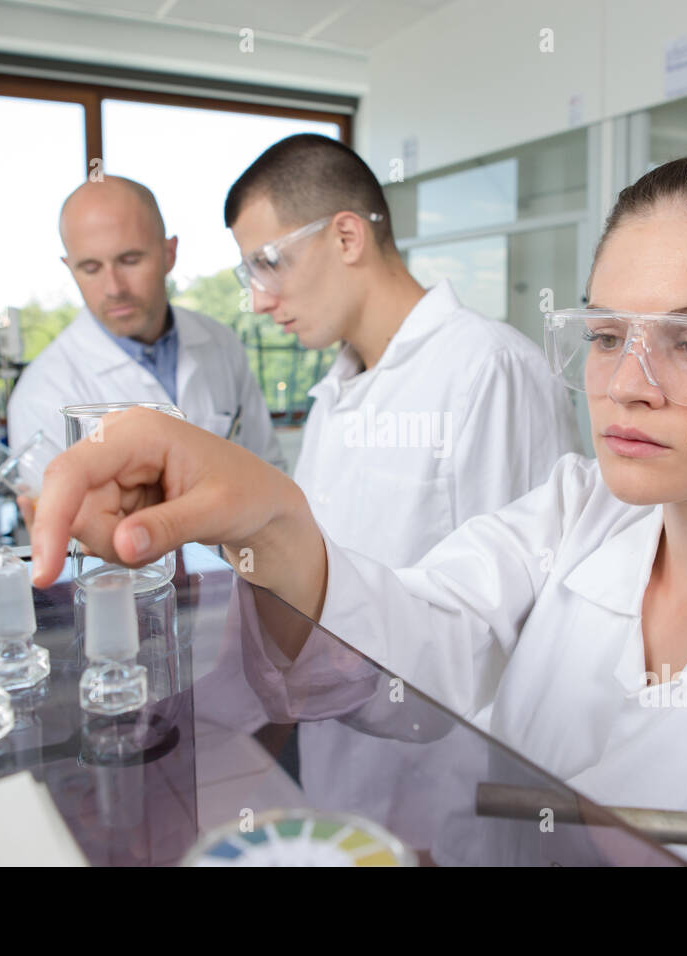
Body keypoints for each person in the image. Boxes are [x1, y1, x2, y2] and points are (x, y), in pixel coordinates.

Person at [30, 147, 687, 862]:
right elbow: (418, 626)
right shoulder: (573, 512)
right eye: (606, 333)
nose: (626, 383)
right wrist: (266, 519)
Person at [221, 134, 580, 838]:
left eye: (269, 263)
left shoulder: (489, 369)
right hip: (345, 780)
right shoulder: (337, 395)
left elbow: (519, 630)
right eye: (249, 275)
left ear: (347, 235)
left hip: (452, 803)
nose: (262, 300)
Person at [7, 175, 284, 468]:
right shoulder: (42, 393)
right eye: (90, 268)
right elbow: (63, 510)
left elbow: (268, 468)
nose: (114, 288)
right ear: (70, 268)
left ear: (169, 254)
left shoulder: (221, 343)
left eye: (130, 260)